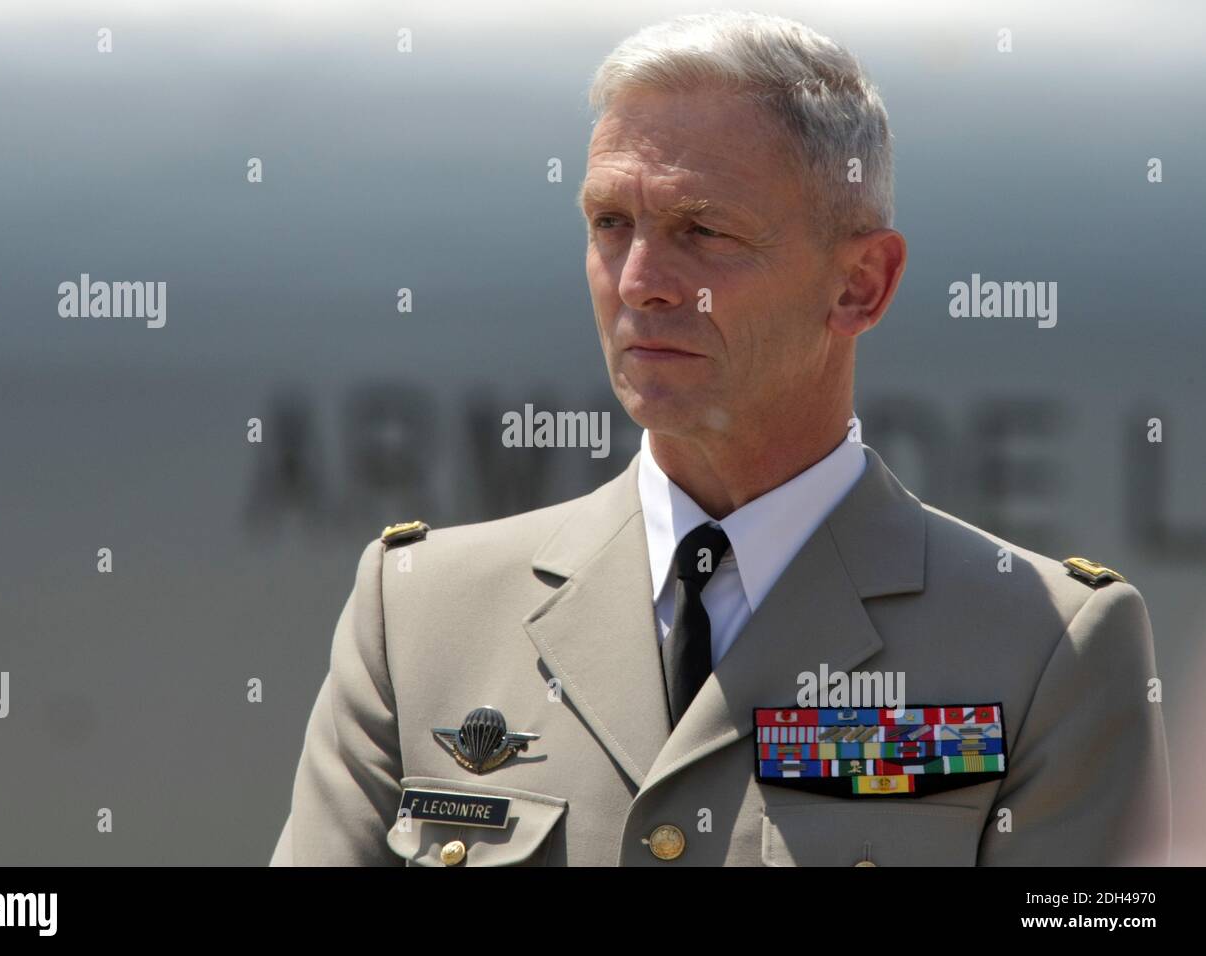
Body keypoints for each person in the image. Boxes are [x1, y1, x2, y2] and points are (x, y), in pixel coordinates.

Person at [269, 11, 1170, 866]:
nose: (642, 281)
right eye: (610, 223)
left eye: (703, 230)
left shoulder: (1045, 649)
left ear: (860, 284)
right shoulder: (422, 615)